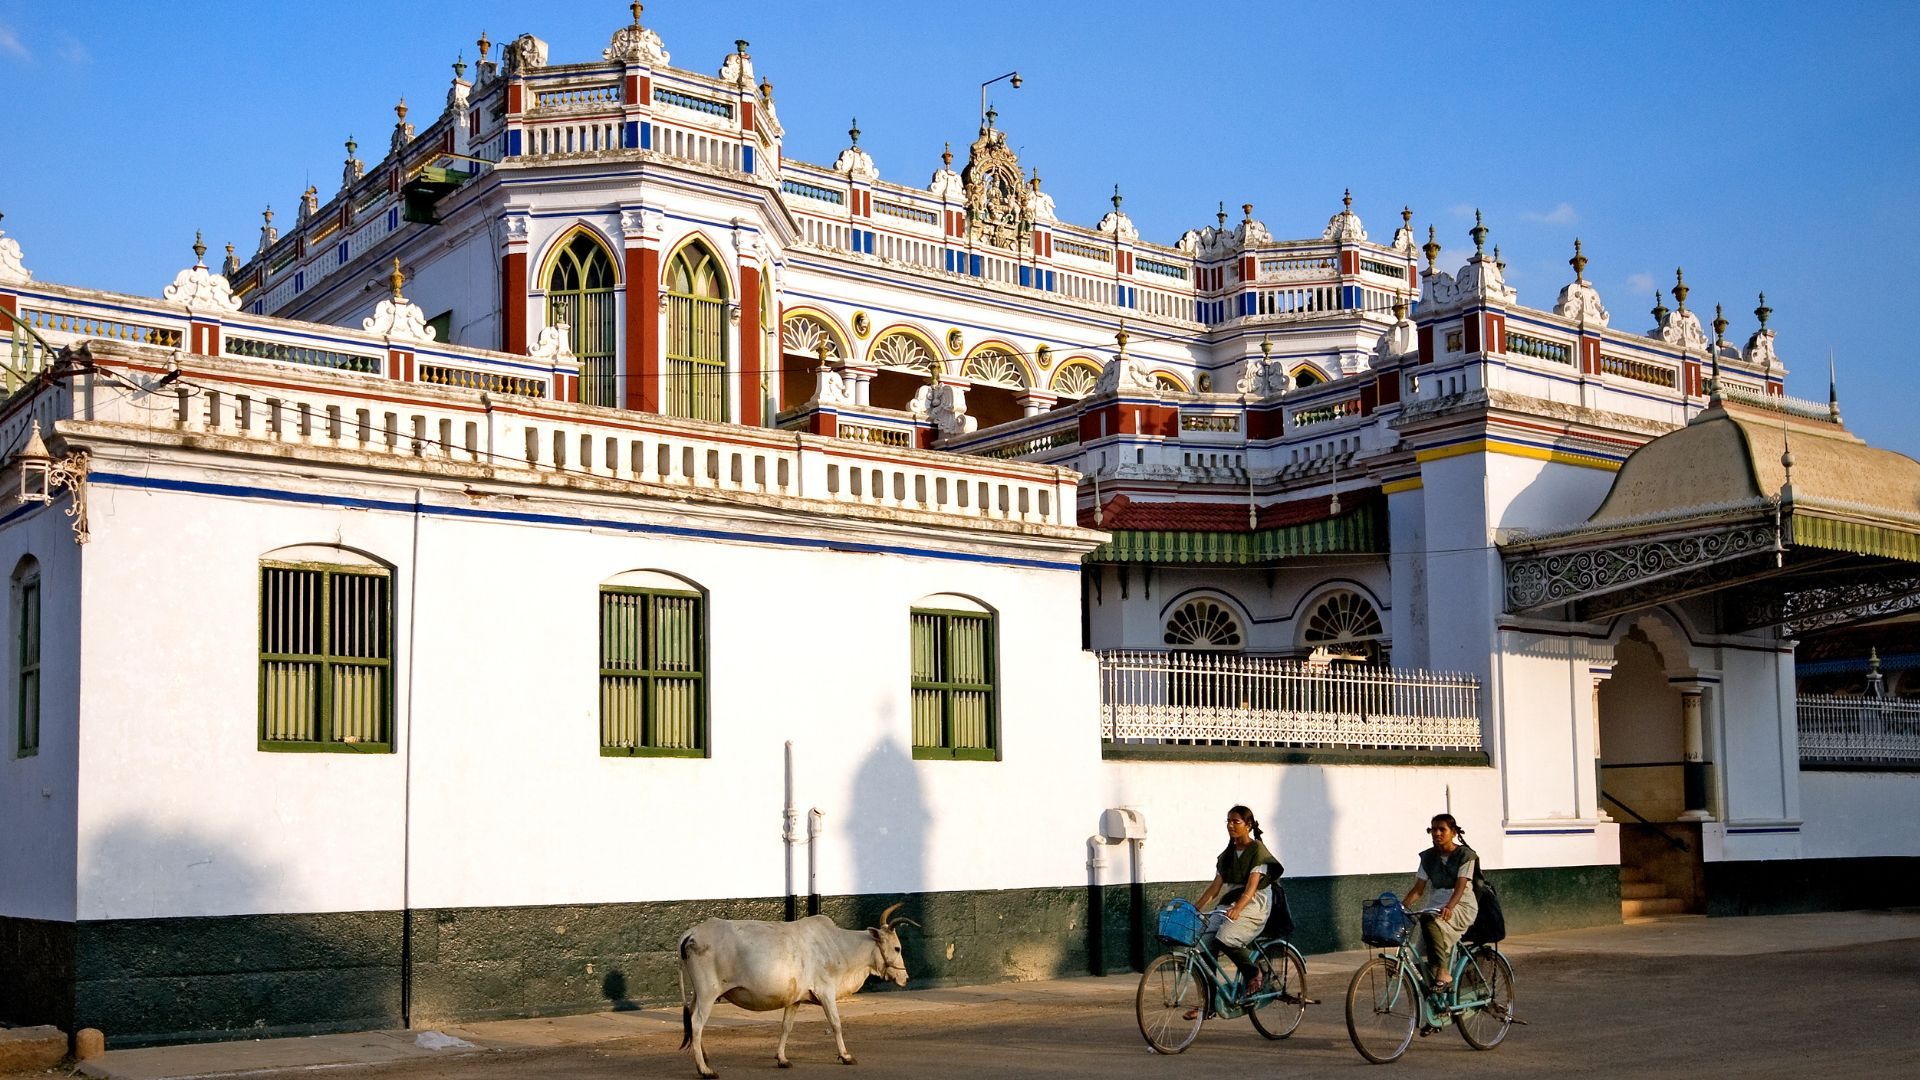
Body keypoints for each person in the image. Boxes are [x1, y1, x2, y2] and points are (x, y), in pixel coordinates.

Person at [1193, 805, 1280, 1000]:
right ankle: (1208, 1001)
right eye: (1228, 821)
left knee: (1226, 937)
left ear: (1248, 825)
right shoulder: (1227, 855)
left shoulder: (1257, 850)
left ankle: (1254, 973)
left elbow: (1251, 887)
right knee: (1202, 944)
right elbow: (1214, 888)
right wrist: (1194, 908)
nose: (1231, 825)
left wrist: (1239, 908)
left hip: (1254, 905)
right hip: (1230, 905)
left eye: (1236, 821)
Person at [1402, 813, 1477, 999]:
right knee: (1418, 958)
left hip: (1461, 904)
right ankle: (1435, 1008)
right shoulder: (1428, 857)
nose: (1437, 833)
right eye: (1433, 829)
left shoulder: (1465, 855)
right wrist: (1400, 907)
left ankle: (1443, 971)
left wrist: (1450, 906)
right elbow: (1418, 889)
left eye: (1442, 829)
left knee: (1429, 921)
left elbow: (1461, 885)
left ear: (1453, 832)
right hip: (1435, 904)